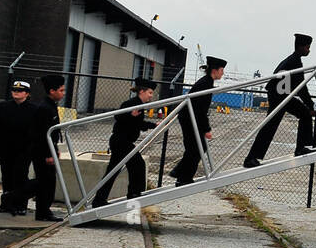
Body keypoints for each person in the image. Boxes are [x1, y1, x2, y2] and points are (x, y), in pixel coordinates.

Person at [245, 34, 316, 167]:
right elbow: (302, 88)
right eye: (307, 47)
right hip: (279, 97)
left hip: (282, 96)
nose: (309, 50)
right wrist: (311, 106)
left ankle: (301, 147)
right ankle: (251, 158)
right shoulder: (294, 62)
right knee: (270, 127)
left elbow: (298, 86)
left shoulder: (293, 60)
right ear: (300, 47)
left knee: (304, 115)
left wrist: (308, 106)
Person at [5, 73, 65, 219]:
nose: (63, 93)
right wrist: (48, 154)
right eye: (61, 90)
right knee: (44, 182)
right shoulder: (45, 108)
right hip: (42, 152)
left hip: (47, 150)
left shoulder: (50, 106)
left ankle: (42, 211)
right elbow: (42, 134)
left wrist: (55, 150)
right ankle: (14, 196)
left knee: (47, 183)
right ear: (52, 91)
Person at [92, 77, 159, 208]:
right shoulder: (131, 103)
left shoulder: (139, 105)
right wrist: (130, 115)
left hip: (123, 142)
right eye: (150, 93)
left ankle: (100, 199)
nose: (151, 96)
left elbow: (138, 124)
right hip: (121, 141)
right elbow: (118, 116)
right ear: (142, 92)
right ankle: (134, 193)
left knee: (113, 171)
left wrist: (154, 125)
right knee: (137, 164)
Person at [171, 56, 224, 186]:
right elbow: (201, 110)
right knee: (195, 149)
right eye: (222, 70)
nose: (223, 73)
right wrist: (206, 129)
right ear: (215, 70)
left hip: (190, 118)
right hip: (189, 119)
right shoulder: (205, 84)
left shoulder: (207, 82)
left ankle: (180, 173)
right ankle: (183, 177)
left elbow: (200, 109)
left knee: (195, 148)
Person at [0, 79, 34, 212]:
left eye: (20, 91)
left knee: (20, 176)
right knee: (6, 175)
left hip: (24, 149)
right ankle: (6, 204)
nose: (16, 93)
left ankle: (20, 205)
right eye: (14, 90)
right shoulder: (3, 106)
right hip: (5, 147)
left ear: (27, 94)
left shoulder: (33, 109)